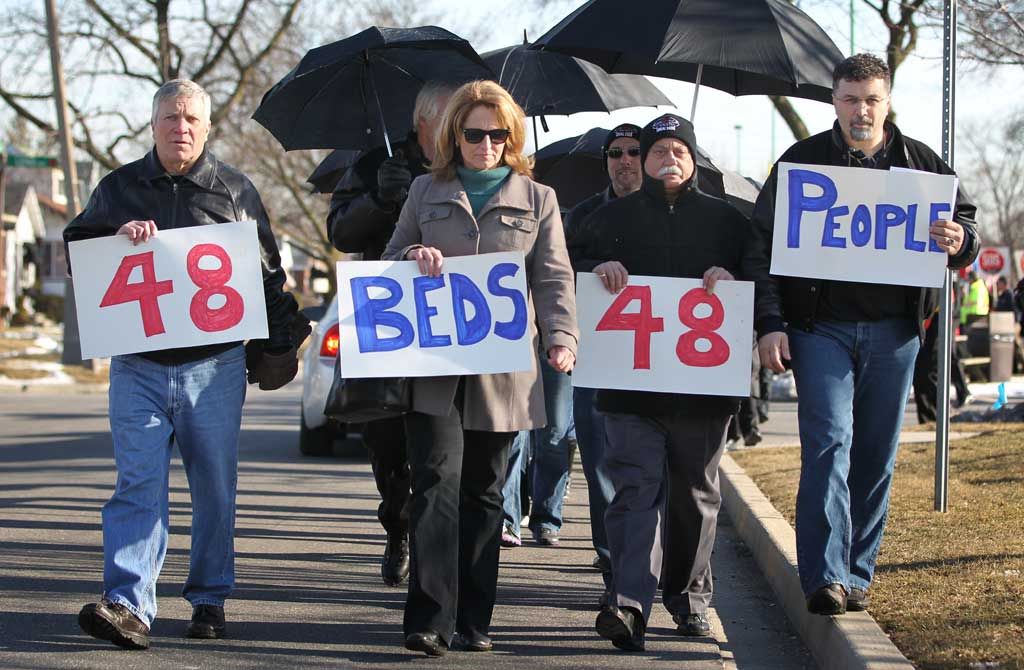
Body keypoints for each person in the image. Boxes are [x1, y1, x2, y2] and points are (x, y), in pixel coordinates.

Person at [65, 79, 305, 649]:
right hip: (138, 365)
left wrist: (280, 341)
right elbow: (78, 253)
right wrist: (113, 236)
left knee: (215, 487)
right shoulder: (118, 188)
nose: (182, 128)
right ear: (153, 124)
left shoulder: (235, 190)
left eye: (192, 119)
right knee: (137, 483)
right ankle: (128, 604)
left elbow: (268, 275)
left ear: (207, 126)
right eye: (171, 117)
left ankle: (209, 599)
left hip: (214, 367)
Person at [751, 54, 979, 616]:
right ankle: (823, 577)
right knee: (829, 442)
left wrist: (960, 239)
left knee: (876, 455)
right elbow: (760, 248)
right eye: (851, 99)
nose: (861, 110)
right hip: (817, 329)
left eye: (872, 99)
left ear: (888, 100)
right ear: (834, 101)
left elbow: (968, 225)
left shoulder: (923, 166)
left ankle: (856, 571)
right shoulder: (800, 165)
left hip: (895, 332)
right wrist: (770, 323)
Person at [381, 80, 578, 657]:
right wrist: (410, 257)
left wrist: (562, 337)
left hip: (504, 369)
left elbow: (553, 276)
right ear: (455, 136)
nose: (486, 144)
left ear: (511, 137)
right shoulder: (424, 190)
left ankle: (475, 618)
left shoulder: (538, 198)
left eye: (498, 134)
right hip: (434, 363)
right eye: (474, 133)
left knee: (485, 492)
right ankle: (429, 620)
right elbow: (390, 256)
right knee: (435, 484)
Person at [572, 113, 761, 651]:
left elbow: (758, 277)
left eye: (679, 149)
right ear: (644, 161)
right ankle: (628, 604)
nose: (668, 159)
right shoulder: (608, 218)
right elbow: (567, 264)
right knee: (634, 493)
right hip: (630, 391)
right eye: (658, 151)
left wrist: (732, 279)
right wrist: (597, 265)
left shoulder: (729, 222)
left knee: (695, 496)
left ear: (694, 158)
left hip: (702, 391)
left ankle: (688, 599)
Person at [326, 82, 454, 587]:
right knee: (386, 441)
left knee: (438, 446)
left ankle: (434, 555)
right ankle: (396, 523)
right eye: (449, 118)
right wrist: (380, 199)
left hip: (447, 324)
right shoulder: (371, 163)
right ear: (423, 120)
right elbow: (340, 233)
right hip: (384, 320)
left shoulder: (465, 163)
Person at [563, 123, 642, 596]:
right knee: (600, 464)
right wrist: (594, 270)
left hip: (658, 360)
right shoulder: (583, 216)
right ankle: (614, 565)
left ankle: (658, 564)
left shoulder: (670, 213)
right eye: (615, 153)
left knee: (652, 467)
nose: (625, 160)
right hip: (597, 355)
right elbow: (557, 268)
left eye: (635, 151)